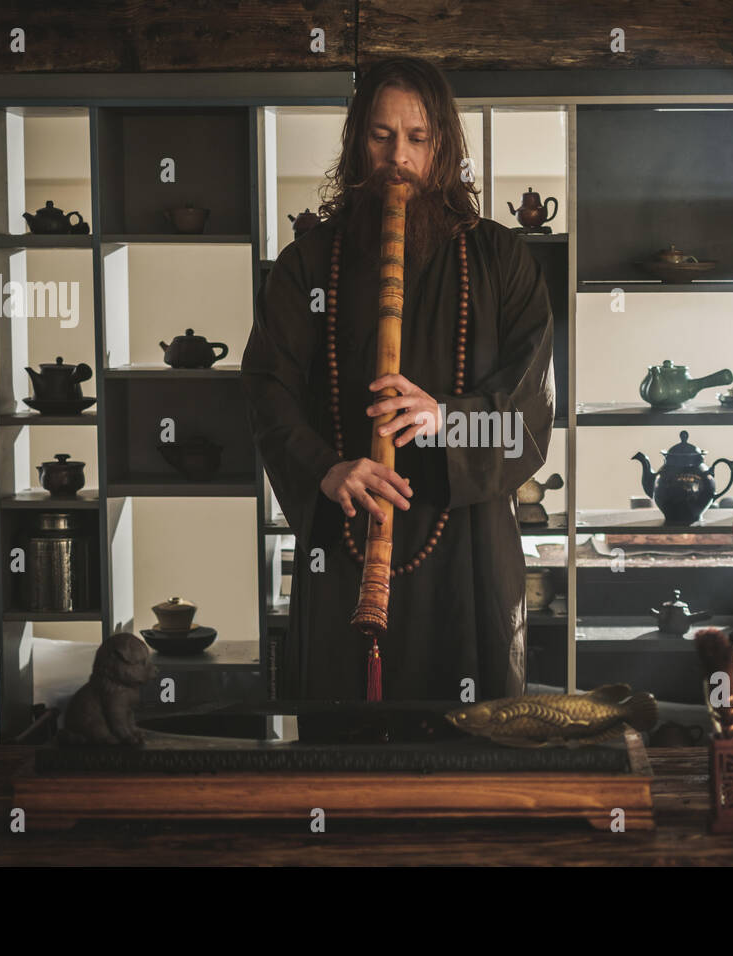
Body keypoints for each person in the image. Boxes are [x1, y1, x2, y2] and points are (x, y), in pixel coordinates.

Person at [240, 56, 554, 701]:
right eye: (381, 136)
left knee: (467, 748)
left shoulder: (501, 257)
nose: (398, 158)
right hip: (345, 534)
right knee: (343, 741)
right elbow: (267, 390)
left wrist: (447, 416)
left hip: (465, 544)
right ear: (358, 143)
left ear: (443, 148)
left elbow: (530, 413)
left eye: (417, 138)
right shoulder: (306, 264)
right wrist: (326, 468)